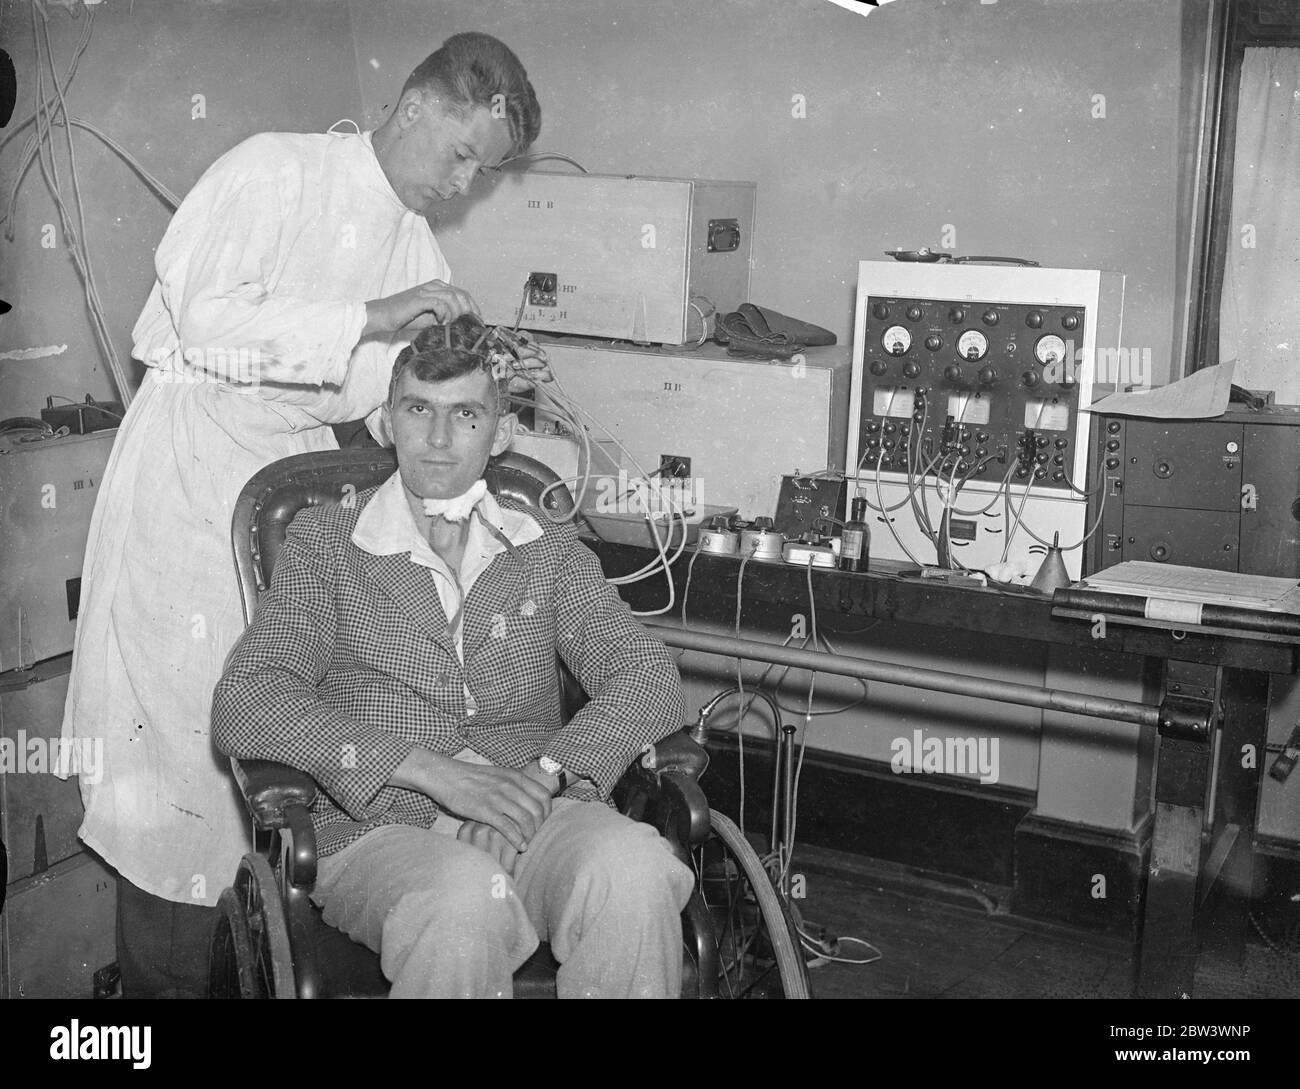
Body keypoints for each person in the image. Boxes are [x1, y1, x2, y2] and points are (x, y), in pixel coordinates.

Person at [59, 32, 542, 997]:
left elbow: (383, 402)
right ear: (414, 107)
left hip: (292, 479)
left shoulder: (415, 241)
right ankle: (155, 999)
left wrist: (481, 386)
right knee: (184, 771)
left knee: (286, 742)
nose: (461, 185)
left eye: (480, 173)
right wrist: (374, 314)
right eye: (459, 155)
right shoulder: (274, 169)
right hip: (193, 474)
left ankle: (263, 972)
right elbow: (206, 320)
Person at [211, 317, 695, 998]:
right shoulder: (327, 545)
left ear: (499, 433)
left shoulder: (543, 548)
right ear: (387, 423)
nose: (438, 438)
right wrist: (442, 779)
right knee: (464, 901)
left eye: (464, 414)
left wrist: (542, 778)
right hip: (381, 825)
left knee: (634, 870)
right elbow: (249, 698)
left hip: (537, 813)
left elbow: (646, 672)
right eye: (418, 410)